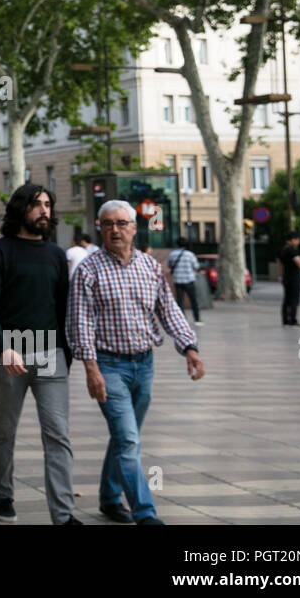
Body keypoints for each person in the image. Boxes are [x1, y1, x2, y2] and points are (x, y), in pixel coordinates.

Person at [67, 199, 205, 525]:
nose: (115, 229)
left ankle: (109, 498)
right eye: (108, 224)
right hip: (108, 365)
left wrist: (190, 347)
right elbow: (80, 323)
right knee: (128, 439)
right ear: (100, 228)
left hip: (144, 364)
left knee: (124, 436)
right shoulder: (88, 269)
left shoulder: (150, 266)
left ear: (133, 227)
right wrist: (91, 370)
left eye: (121, 223)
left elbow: (168, 310)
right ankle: (146, 514)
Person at [0, 183, 78, 525]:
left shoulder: (55, 254)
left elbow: (64, 306)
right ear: (21, 209)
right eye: (37, 205)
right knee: (5, 429)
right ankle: (3, 494)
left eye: (48, 205)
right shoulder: (0, 251)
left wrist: (68, 353)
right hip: (9, 356)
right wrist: (2, 346)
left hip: (52, 356)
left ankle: (63, 515)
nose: (44, 211)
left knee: (58, 433)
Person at [278, 230, 300, 327]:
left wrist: (280, 276)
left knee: (286, 299)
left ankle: (285, 320)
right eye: (298, 240)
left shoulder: (282, 249)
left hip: (286, 277)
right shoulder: (292, 250)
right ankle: (293, 320)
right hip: (293, 278)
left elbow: (279, 263)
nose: (298, 242)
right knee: (294, 299)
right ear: (293, 240)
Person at [167, 237, 202, 326]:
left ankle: (182, 320)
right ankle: (197, 319)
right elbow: (196, 267)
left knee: (180, 301)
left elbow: (169, 265)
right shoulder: (190, 255)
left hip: (178, 280)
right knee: (193, 300)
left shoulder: (172, 254)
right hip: (189, 280)